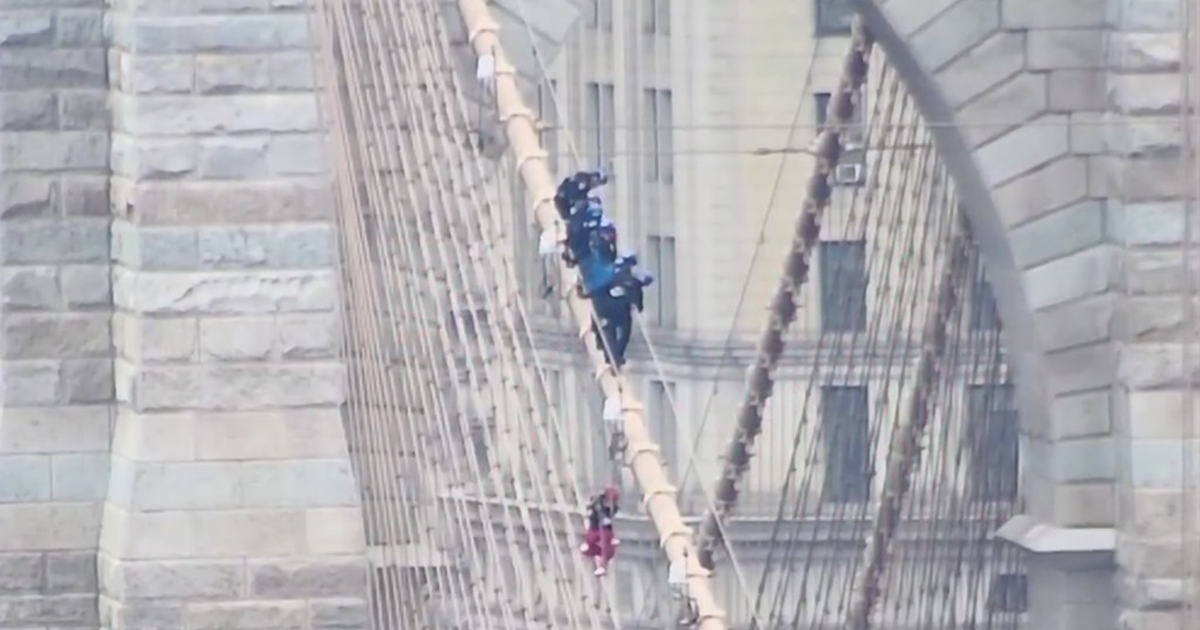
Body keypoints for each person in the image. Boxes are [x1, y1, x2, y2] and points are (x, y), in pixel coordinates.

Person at [592, 256, 653, 367]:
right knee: (624, 333)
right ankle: (616, 357)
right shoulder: (634, 283)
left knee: (608, 332)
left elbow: (600, 289)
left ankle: (608, 353)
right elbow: (638, 305)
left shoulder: (613, 275)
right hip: (620, 311)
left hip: (604, 307)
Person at [580, 486, 621, 576]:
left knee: (605, 545)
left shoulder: (612, 507)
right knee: (596, 540)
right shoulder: (598, 503)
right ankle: (600, 564)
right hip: (597, 529)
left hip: (602, 531)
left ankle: (601, 565)